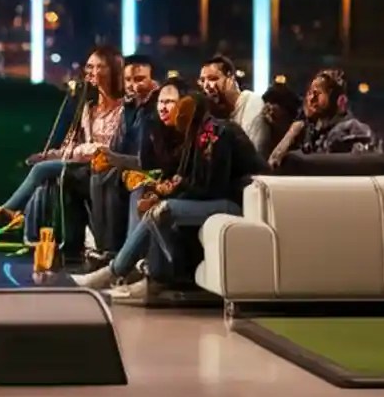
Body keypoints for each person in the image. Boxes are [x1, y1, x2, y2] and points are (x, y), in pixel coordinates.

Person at [72, 86, 266, 295]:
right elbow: (185, 178)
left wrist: (170, 194)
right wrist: (163, 191)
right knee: (154, 203)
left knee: (163, 210)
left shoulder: (220, 133)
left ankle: (115, 272)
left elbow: (213, 187)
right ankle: (144, 274)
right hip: (215, 198)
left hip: (237, 202)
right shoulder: (196, 135)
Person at [0, 46, 126, 237]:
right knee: (43, 177)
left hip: (107, 170)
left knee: (42, 170)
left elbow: (104, 149)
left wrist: (78, 153)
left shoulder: (124, 110)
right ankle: (33, 239)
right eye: (90, 67)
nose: (93, 72)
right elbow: (74, 147)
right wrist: (49, 155)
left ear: (114, 70)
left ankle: (8, 211)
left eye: (100, 67)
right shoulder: (88, 108)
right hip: (82, 167)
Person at [87, 54, 159, 262]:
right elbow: (119, 144)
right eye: (128, 80)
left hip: (150, 168)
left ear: (153, 81)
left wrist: (113, 158)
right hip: (129, 164)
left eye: (140, 79)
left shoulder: (156, 108)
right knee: (95, 172)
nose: (133, 85)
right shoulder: (129, 107)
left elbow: (148, 158)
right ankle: (104, 248)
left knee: (109, 174)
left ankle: (115, 252)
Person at [267, 69, 382, 167]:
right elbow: (274, 163)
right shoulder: (311, 130)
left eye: (318, 93)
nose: (311, 99)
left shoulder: (352, 129)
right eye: (310, 93)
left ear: (340, 100)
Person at [198, 55, 270, 155]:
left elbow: (254, 157)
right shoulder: (212, 112)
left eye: (213, 78)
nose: (206, 86)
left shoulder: (252, 103)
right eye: (202, 81)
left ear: (230, 78)